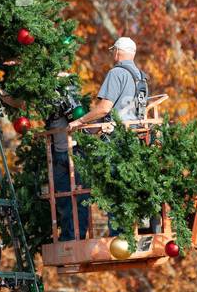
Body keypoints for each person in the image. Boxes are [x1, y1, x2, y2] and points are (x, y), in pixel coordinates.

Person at [0, 71, 89, 241]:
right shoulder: (48, 100)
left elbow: (80, 118)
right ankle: (69, 237)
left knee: (78, 196)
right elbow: (22, 103)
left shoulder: (72, 102)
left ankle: (77, 237)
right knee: (62, 198)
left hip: (74, 152)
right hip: (58, 153)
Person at [67, 36, 157, 234]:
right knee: (129, 186)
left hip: (116, 141)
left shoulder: (117, 73)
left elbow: (104, 108)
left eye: (112, 51)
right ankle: (139, 231)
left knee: (94, 178)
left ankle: (106, 233)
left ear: (117, 52)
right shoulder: (141, 77)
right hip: (137, 138)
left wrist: (80, 122)